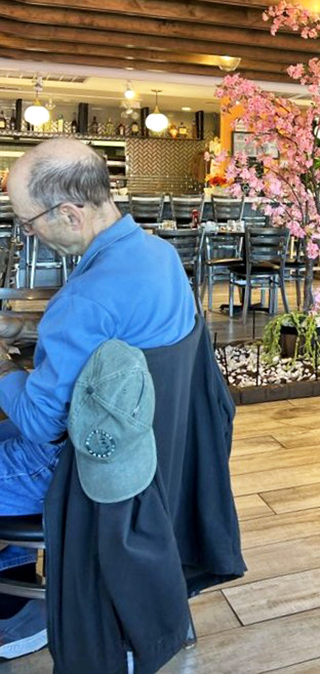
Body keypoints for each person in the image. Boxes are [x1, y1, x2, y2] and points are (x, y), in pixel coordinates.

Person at [0, 139, 197, 659]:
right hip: (144, 450)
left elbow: (39, 426)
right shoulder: (159, 256)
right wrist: (30, 333)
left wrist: (2, 363)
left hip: (75, 470)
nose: (28, 233)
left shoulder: (82, 300)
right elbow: (106, 341)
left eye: (28, 222)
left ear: (68, 212)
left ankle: (14, 612)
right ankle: (15, 602)